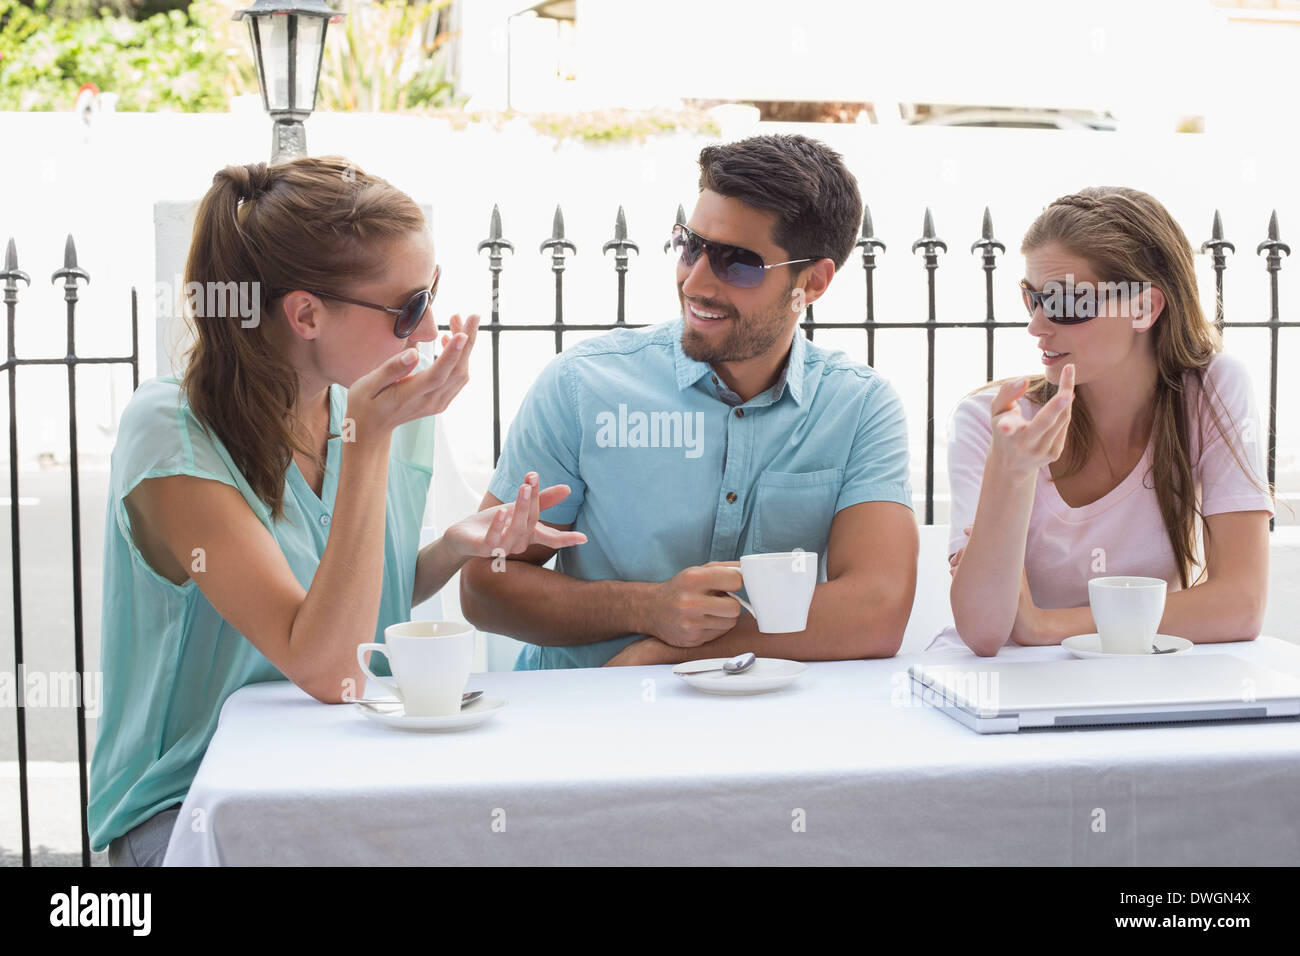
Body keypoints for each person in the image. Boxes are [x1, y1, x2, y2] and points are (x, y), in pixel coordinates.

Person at [88, 157, 585, 865]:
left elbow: (343, 612)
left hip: (340, 770)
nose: (429, 331)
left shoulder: (376, 408)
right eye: (409, 307)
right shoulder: (172, 431)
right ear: (306, 313)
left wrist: (449, 549)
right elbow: (330, 669)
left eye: (433, 296)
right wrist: (369, 445)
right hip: (192, 803)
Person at [459, 134, 918, 669]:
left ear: (812, 282)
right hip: (586, 724)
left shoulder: (859, 407)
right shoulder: (584, 385)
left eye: (738, 263)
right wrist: (645, 607)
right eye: (691, 245)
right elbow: (485, 587)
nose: (694, 281)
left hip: (768, 728)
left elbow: (877, 609)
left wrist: (667, 655)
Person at [938, 186, 1274, 656]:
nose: (1036, 325)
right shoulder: (993, 421)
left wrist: (1044, 624)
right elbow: (983, 631)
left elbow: (1241, 605)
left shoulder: (1211, 391)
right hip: (1006, 685)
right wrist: (1009, 475)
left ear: (1144, 307)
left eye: (1064, 302)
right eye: (1031, 298)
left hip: (1134, 678)